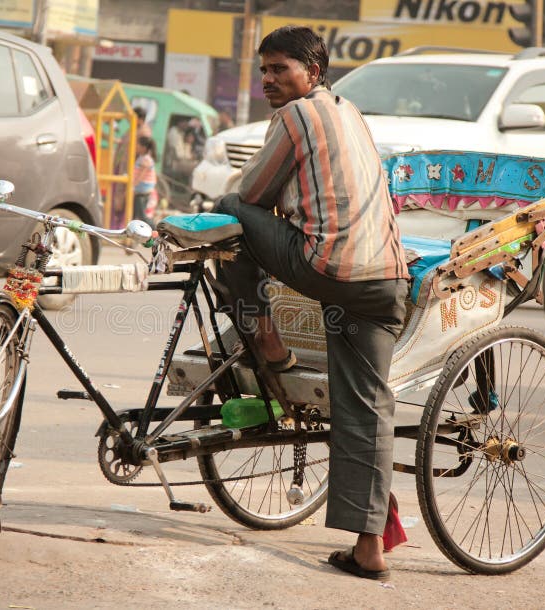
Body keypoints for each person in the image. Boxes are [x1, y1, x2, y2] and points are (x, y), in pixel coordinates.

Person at [213, 26, 410, 580]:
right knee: (366, 407)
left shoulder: (298, 117)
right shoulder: (350, 112)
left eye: (281, 70)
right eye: (265, 70)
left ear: (313, 73)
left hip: (329, 269)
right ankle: (368, 547)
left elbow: (252, 195)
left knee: (228, 207)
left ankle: (263, 335)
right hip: (386, 282)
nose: (269, 81)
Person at [133, 136, 158, 227]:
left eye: (137, 145)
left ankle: (156, 231)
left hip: (142, 191)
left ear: (143, 148)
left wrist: (132, 186)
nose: (135, 146)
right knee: (135, 214)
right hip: (141, 190)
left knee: (142, 216)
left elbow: (141, 175)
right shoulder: (141, 157)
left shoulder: (146, 159)